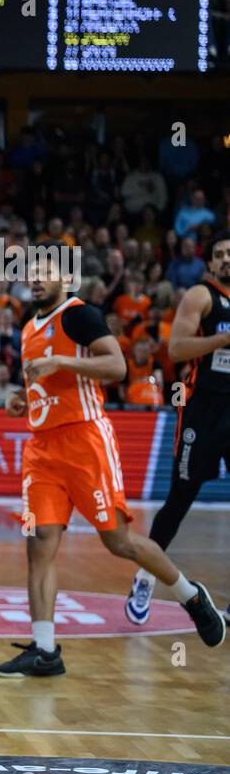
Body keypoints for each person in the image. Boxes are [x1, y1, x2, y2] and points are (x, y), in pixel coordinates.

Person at [0, 259, 221, 679]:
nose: (36, 279)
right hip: (42, 449)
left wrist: (63, 364)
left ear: (65, 278)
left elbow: (116, 367)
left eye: (46, 271)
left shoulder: (79, 314)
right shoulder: (29, 328)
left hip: (85, 441)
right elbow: (44, 383)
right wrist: (23, 400)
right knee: (39, 542)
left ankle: (191, 597)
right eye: (31, 272)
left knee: (118, 542)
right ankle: (45, 650)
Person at [126, 230, 230, 625]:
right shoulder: (201, 296)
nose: (226, 260)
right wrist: (223, 338)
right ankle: (145, 576)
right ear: (210, 263)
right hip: (201, 410)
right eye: (219, 254)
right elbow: (177, 349)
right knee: (180, 498)